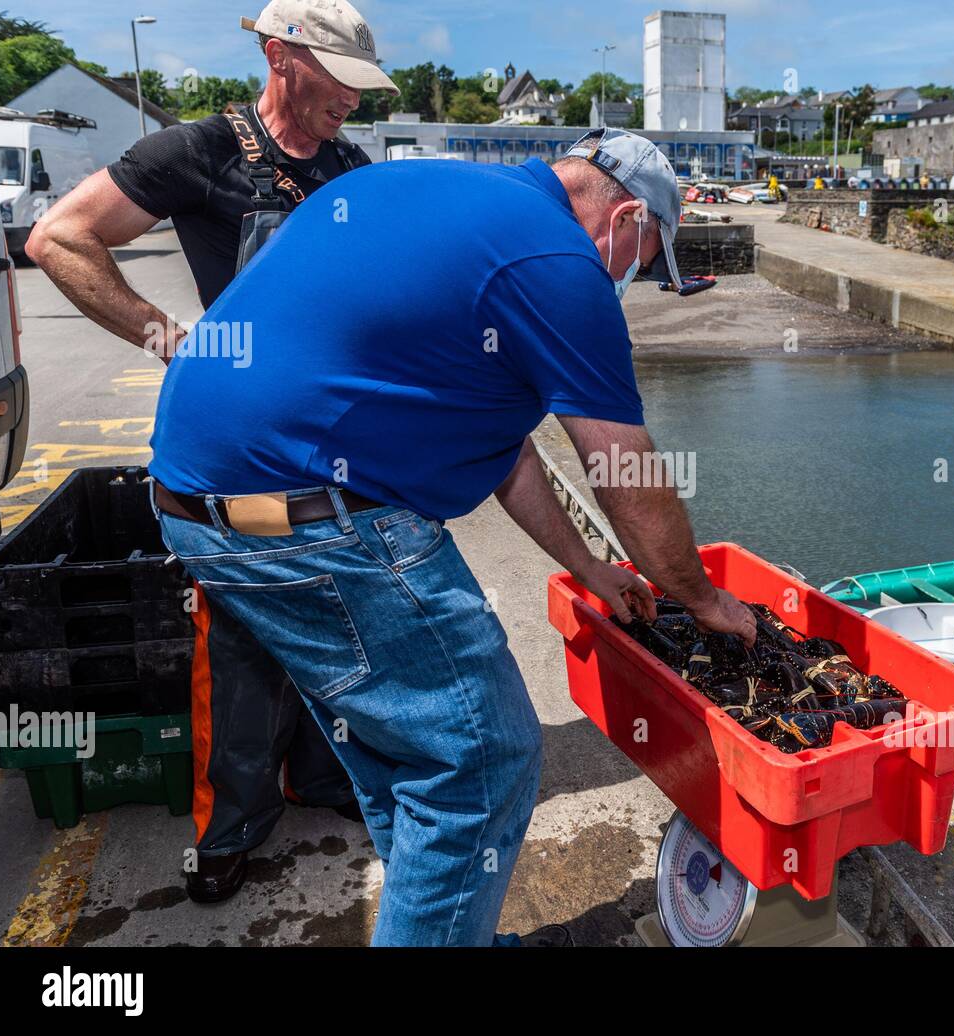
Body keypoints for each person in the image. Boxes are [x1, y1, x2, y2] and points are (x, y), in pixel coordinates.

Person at [144, 127, 758, 946]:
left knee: (397, 752)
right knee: (481, 761)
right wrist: (703, 597)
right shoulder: (559, 263)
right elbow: (624, 468)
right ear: (627, 218)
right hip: (316, 524)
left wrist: (591, 570)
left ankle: (443, 931)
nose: (633, 280)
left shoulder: (450, 198)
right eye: (644, 261)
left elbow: (508, 454)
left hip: (196, 506)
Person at [26, 0, 399, 905]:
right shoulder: (200, 151)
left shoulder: (349, 166)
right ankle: (230, 825)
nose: (352, 102)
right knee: (236, 639)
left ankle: (317, 776)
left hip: (330, 445)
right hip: (234, 448)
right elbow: (58, 237)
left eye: (361, 85)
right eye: (338, 80)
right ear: (280, 57)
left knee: (333, 619)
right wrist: (173, 341)